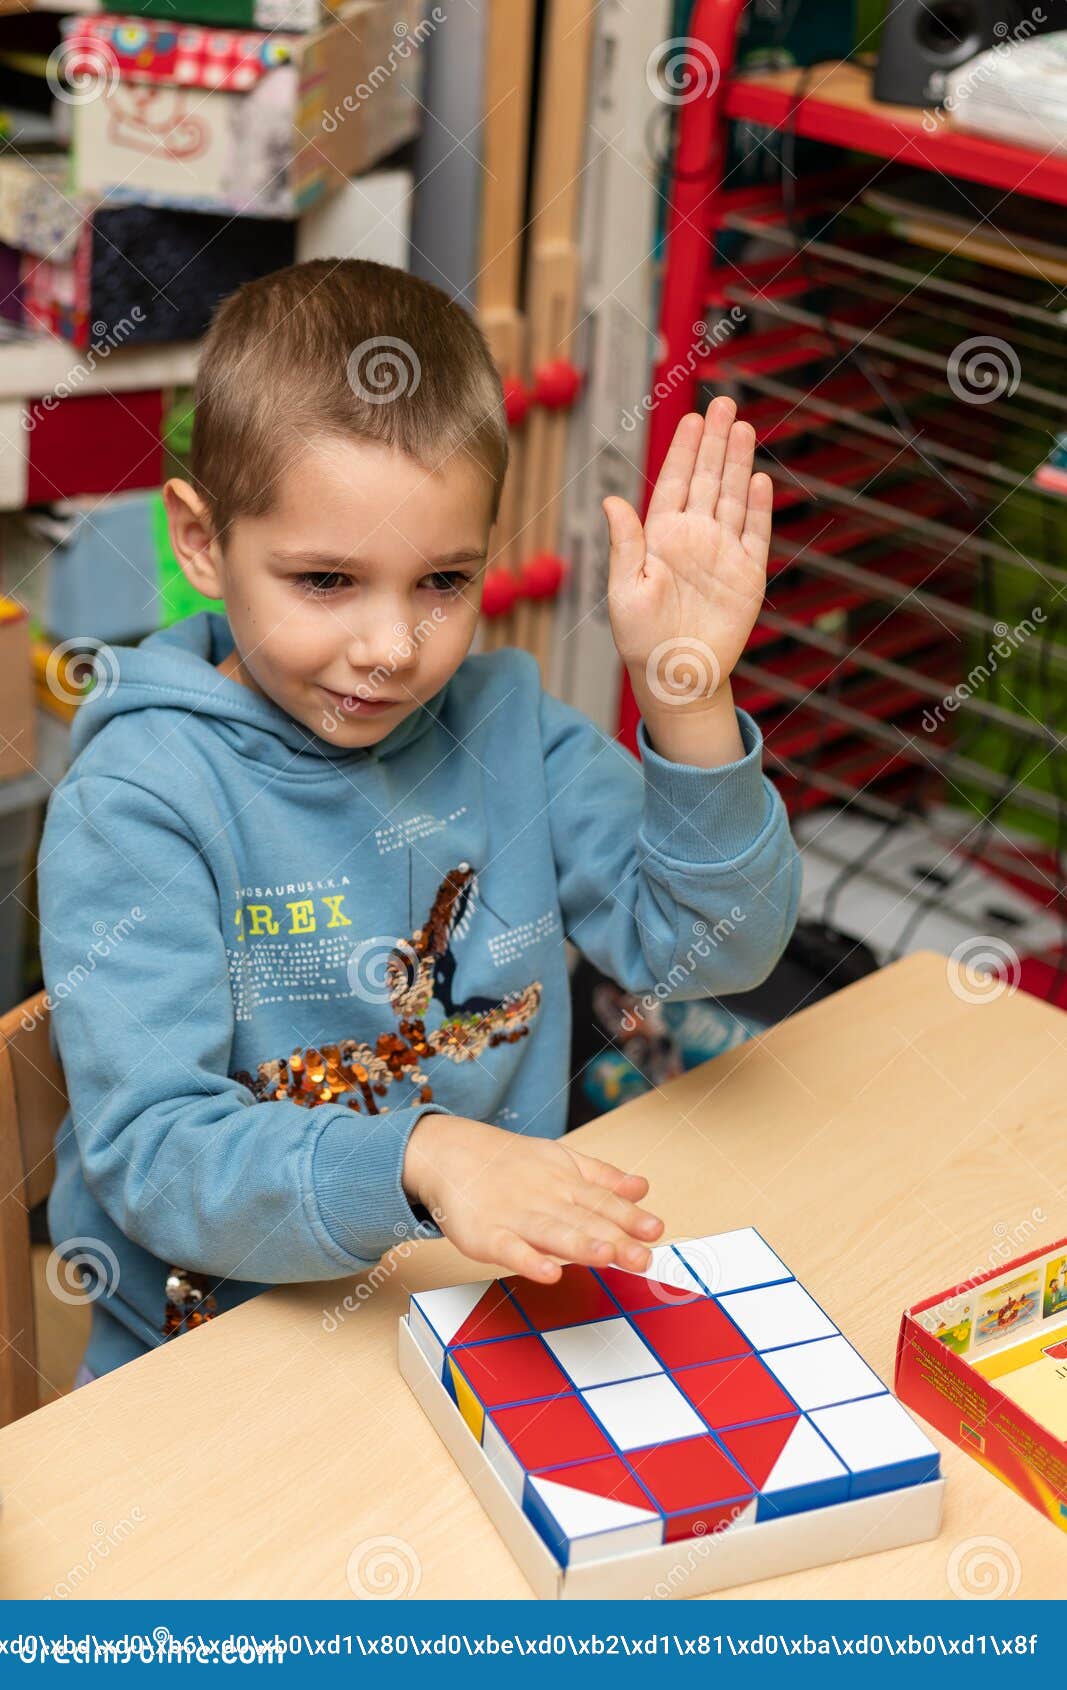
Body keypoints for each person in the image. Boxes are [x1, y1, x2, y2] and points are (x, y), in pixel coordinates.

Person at [37, 259, 801, 1384]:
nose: (393, 647)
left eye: (441, 581)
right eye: (327, 582)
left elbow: (715, 948)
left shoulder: (506, 724)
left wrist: (685, 692)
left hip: (483, 1311)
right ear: (200, 541)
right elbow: (155, 1154)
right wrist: (424, 1156)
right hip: (217, 1363)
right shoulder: (136, 800)